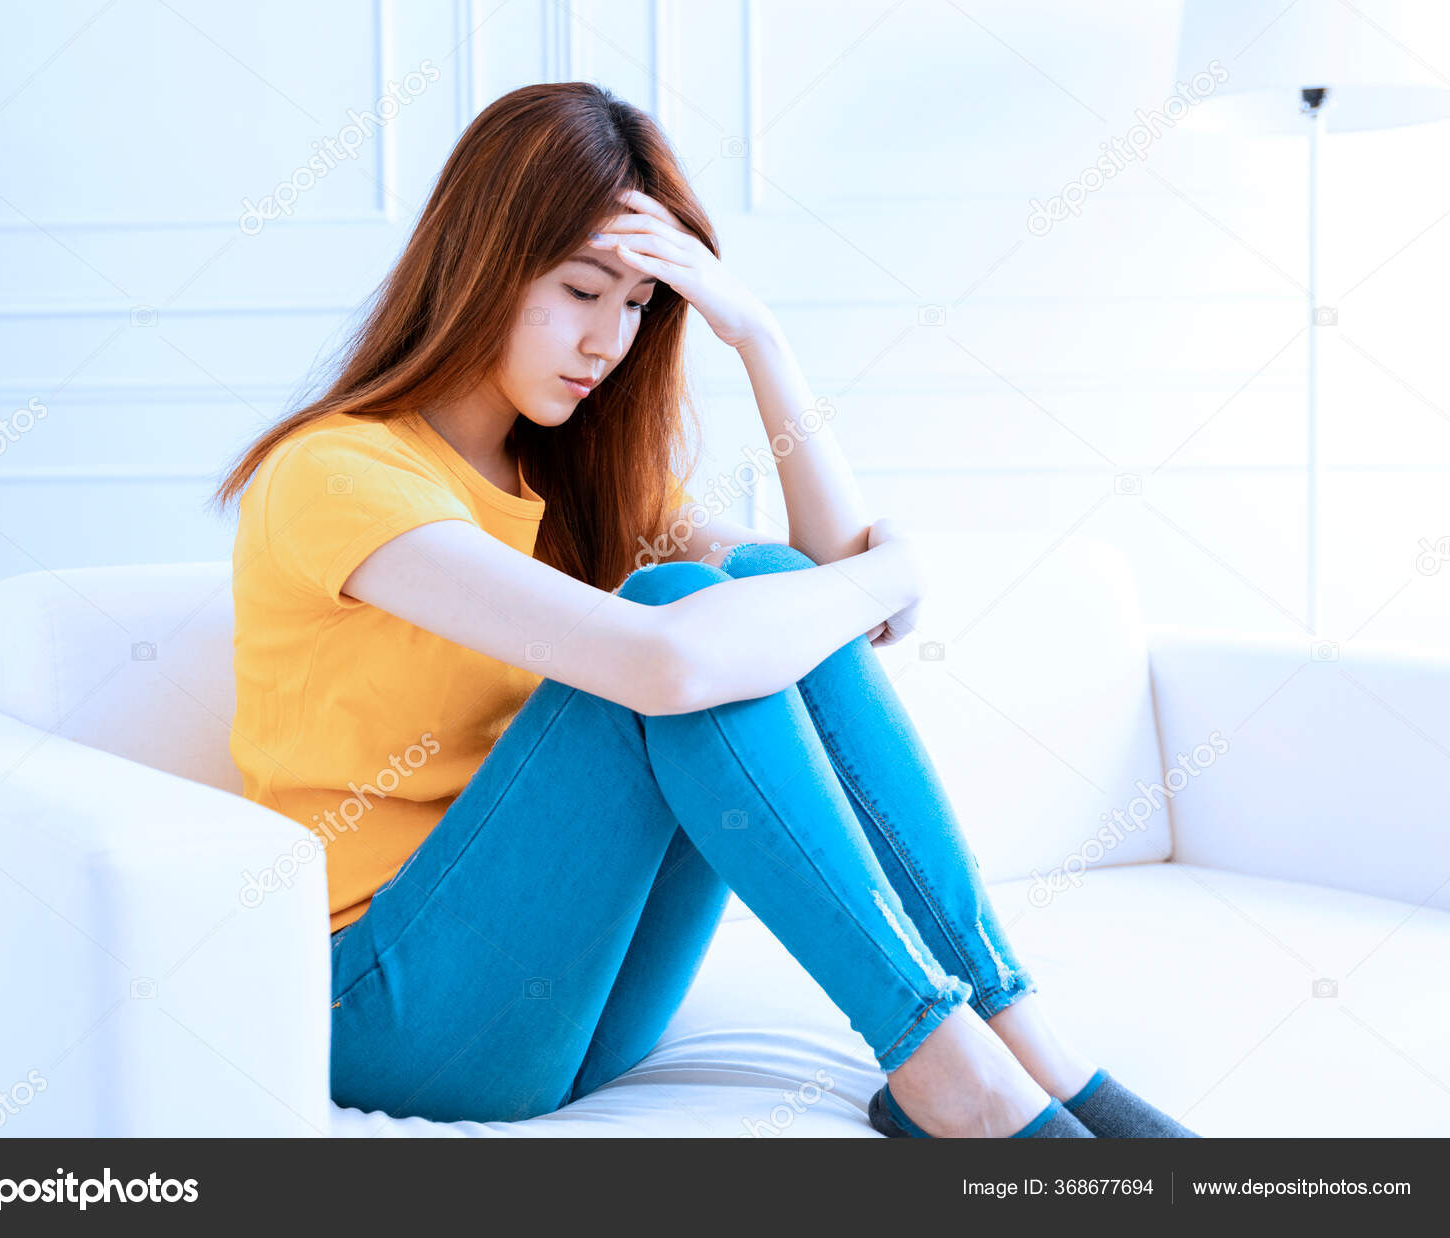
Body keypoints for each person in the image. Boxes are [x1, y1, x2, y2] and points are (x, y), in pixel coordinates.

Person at [214, 81, 1194, 1139]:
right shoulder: (335, 472)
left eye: (639, 307)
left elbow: (821, 591)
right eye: (583, 290)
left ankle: (1019, 1035)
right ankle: (954, 1074)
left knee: (763, 587)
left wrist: (759, 337)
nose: (608, 340)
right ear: (480, 264)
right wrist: (894, 575)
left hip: (579, 1006)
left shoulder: (575, 482)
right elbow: (673, 659)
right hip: (386, 1008)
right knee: (682, 610)